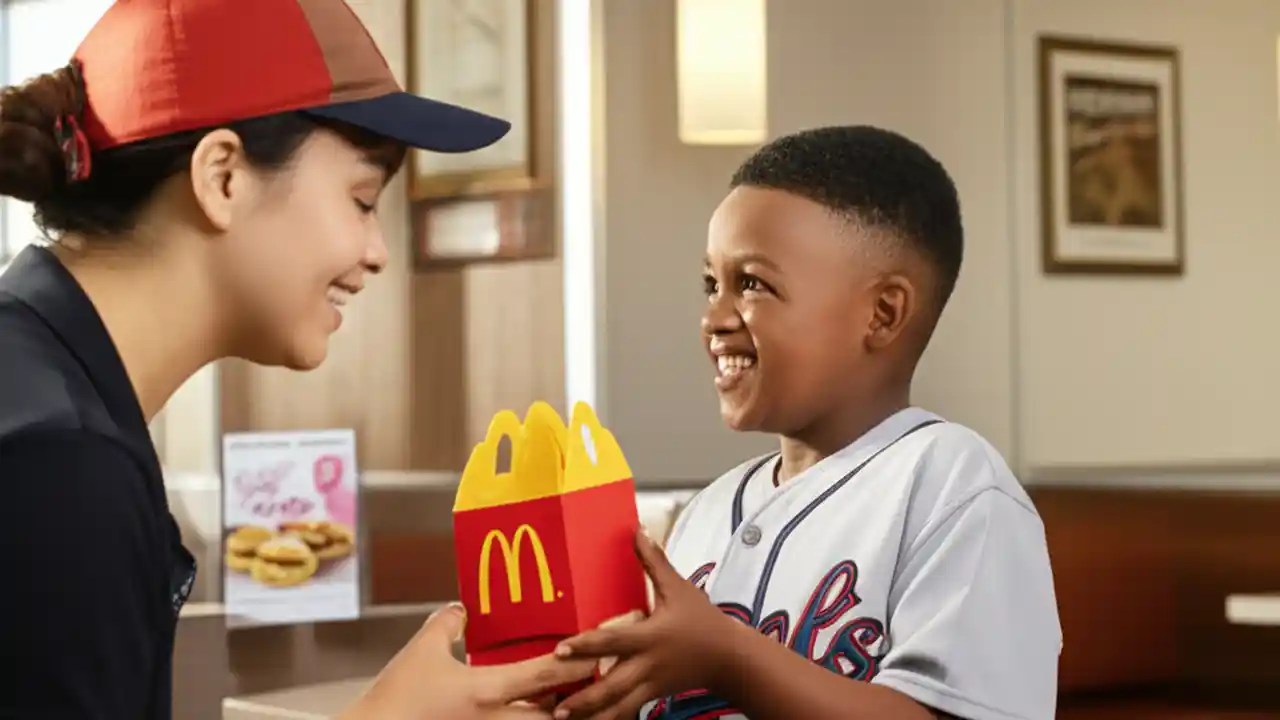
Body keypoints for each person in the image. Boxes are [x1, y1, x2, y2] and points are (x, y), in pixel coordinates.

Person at [0, 0, 589, 717]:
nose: (375, 253)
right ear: (223, 178)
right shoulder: (62, 464)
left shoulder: (44, 394)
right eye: (362, 199)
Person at [549, 126, 1062, 720]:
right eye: (711, 284)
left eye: (752, 285)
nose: (714, 317)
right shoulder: (708, 514)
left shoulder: (952, 486)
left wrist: (726, 657)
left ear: (882, 313)